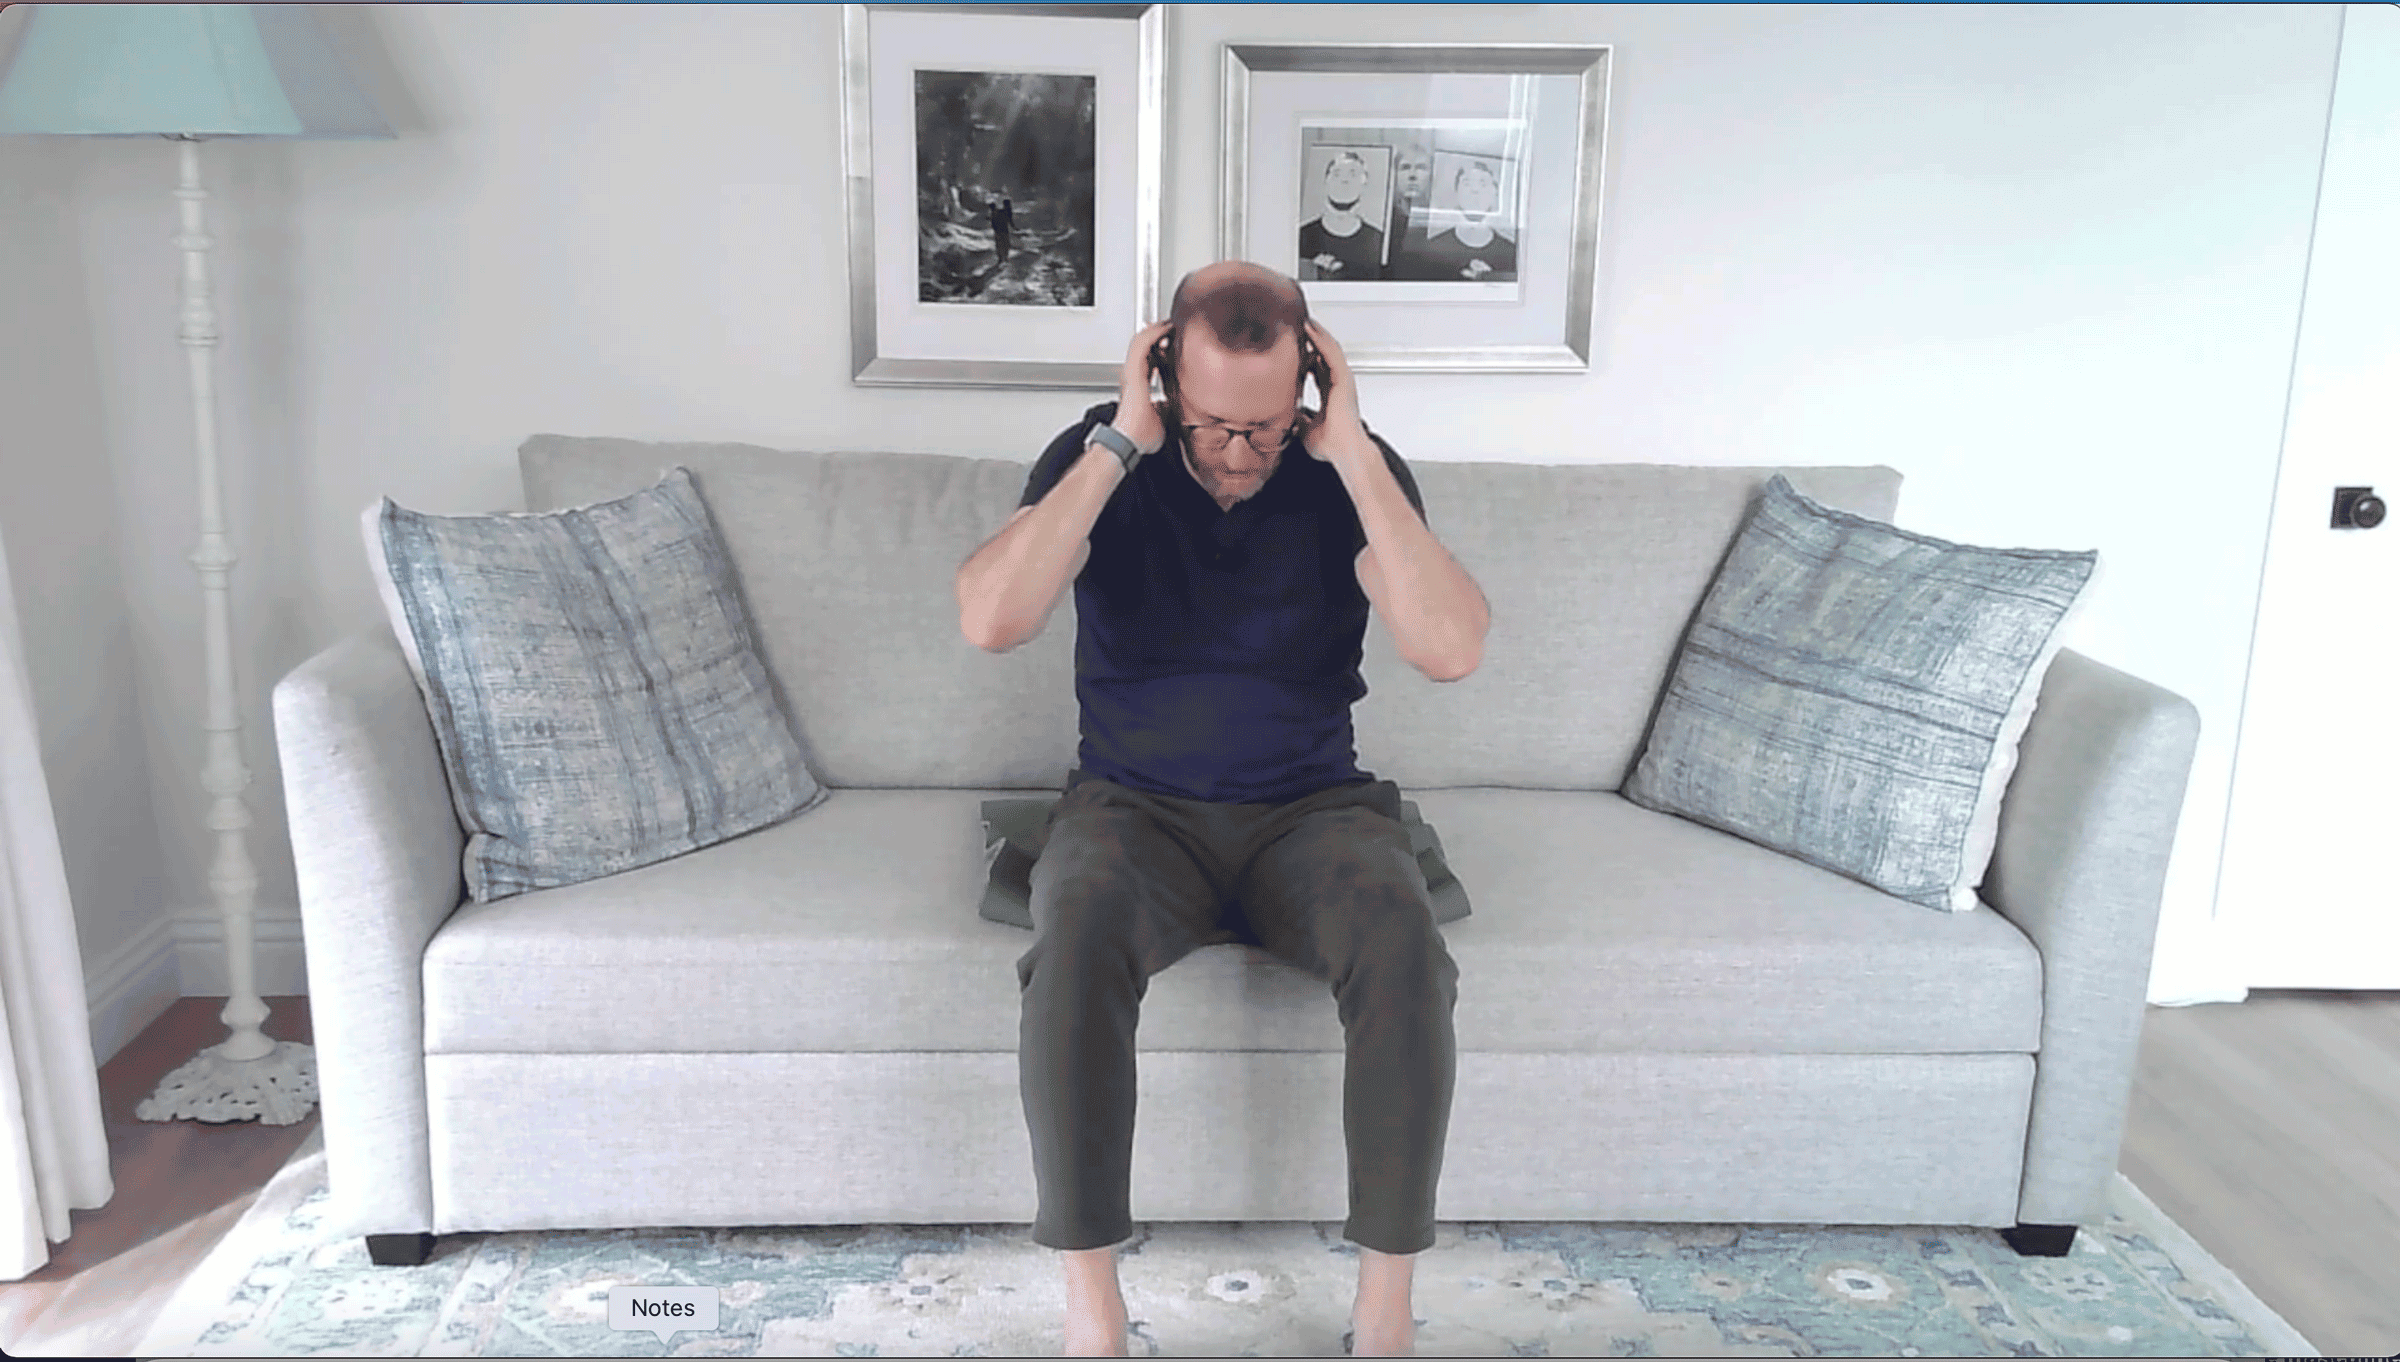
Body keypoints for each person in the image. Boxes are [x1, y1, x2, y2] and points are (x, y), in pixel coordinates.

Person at [954, 260, 1490, 1356]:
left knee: (1403, 941)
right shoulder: (1103, 455)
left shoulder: (1348, 466)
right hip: (1130, 810)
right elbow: (992, 620)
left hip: (1313, 812)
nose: (1242, 455)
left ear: (1309, 387)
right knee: (1076, 935)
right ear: (1160, 379)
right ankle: (1094, 1315)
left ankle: (1383, 1315)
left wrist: (1349, 453)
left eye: (1267, 428)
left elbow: (1450, 648)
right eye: (1212, 426)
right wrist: (1121, 445)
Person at [1404, 160, 1517, 282]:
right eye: (1467, 183)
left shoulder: (1512, 253)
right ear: (1457, 191)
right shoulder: (1433, 249)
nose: (1475, 190)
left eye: (1483, 184)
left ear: (1495, 192)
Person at [1296, 151, 1386, 282]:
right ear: (1326, 181)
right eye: (1337, 174)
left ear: (1364, 184)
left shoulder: (1379, 241)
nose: (1344, 180)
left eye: (1353, 174)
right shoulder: (1302, 236)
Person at [1380, 142, 1434, 280]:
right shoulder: (1383, 219)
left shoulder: (1437, 221)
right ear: (1394, 174)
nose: (1412, 175)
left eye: (1421, 168)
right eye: (1405, 168)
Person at [989, 194, 1017, 265]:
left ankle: (1001, 258)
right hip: (1003, 230)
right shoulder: (1006, 212)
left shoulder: (997, 212)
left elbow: (993, 221)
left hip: (999, 231)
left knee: (1000, 244)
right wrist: (1014, 228)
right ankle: (1004, 257)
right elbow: (1010, 221)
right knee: (1005, 244)